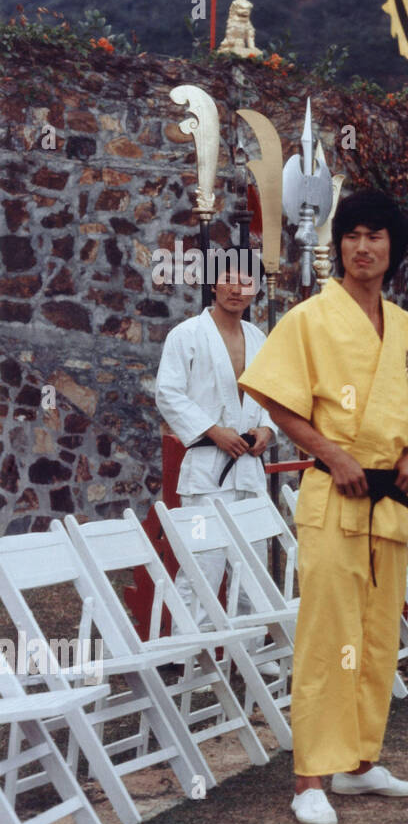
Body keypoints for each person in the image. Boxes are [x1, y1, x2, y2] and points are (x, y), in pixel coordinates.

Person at [239, 190, 408, 824]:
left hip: (390, 502)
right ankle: (309, 777)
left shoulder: (407, 327)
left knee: (378, 636)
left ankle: (359, 763)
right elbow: (278, 401)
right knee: (328, 637)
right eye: (352, 235)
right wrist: (332, 455)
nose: (363, 247)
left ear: (393, 248)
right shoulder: (310, 318)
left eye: (375, 236)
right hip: (335, 496)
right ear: (339, 247)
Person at [155, 263, 275, 619]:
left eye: (245, 281)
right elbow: (168, 393)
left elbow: (273, 395)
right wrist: (212, 430)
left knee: (253, 572)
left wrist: (267, 429)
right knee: (200, 570)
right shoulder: (186, 334)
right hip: (207, 471)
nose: (236, 289)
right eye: (228, 279)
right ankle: (191, 648)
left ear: (255, 289)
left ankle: (250, 646)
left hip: (249, 469)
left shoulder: (258, 338)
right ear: (212, 284)